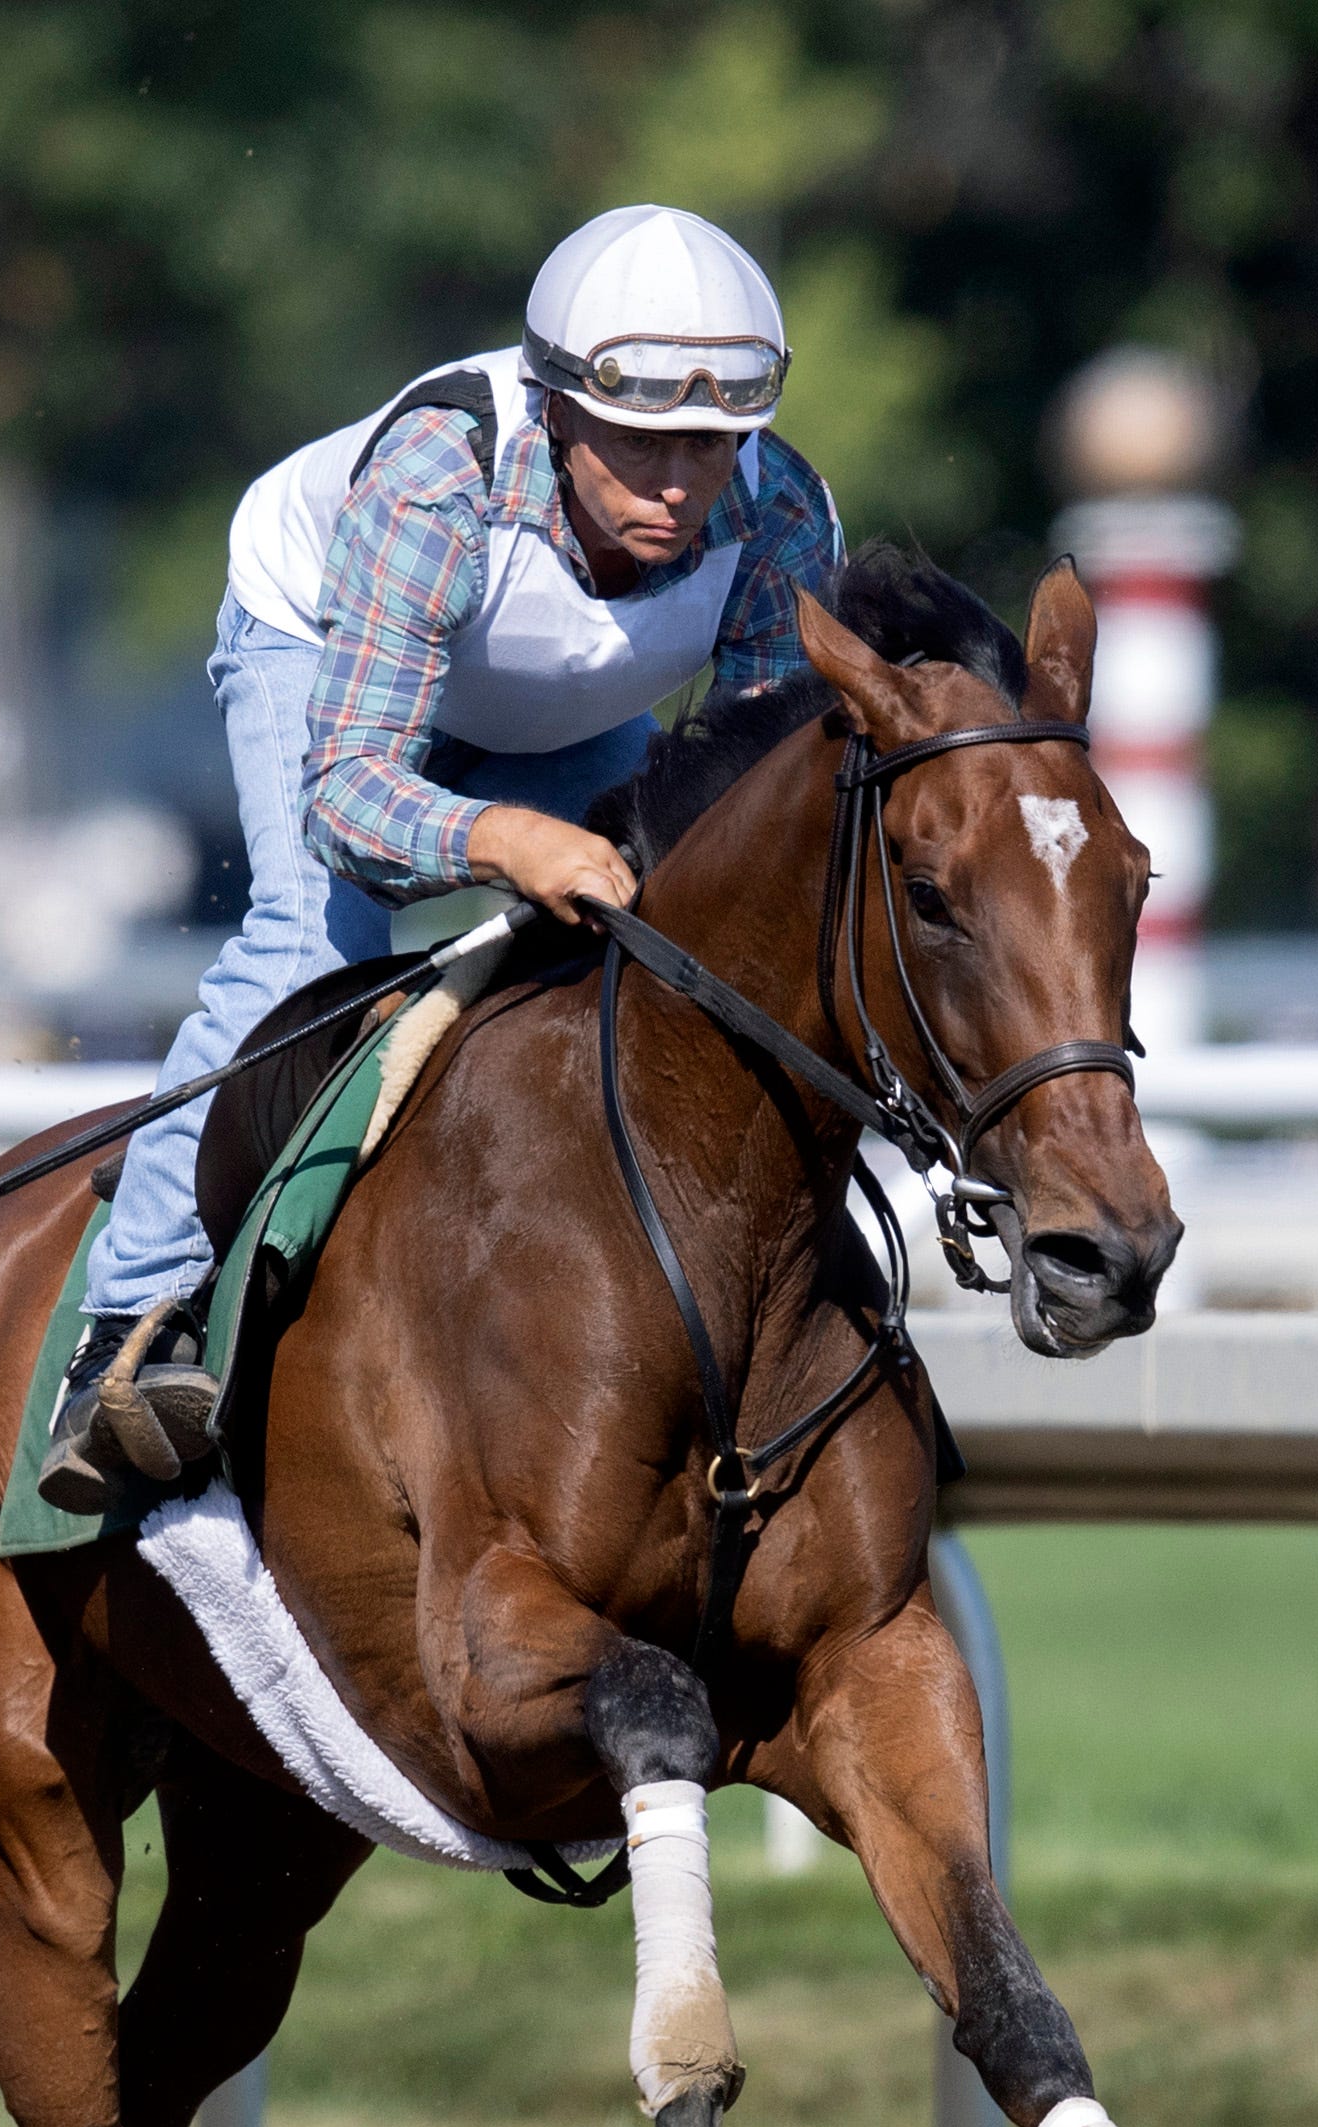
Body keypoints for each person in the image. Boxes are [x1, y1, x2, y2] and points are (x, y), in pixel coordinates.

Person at [41, 203, 842, 1510]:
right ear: (559, 409)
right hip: (324, 657)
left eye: (708, 444)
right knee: (317, 948)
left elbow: (752, 808)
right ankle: (126, 1333)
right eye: (639, 441)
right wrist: (504, 836)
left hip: (563, 712)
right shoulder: (438, 475)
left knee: (664, 945)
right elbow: (350, 797)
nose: (677, 483)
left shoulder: (785, 513)